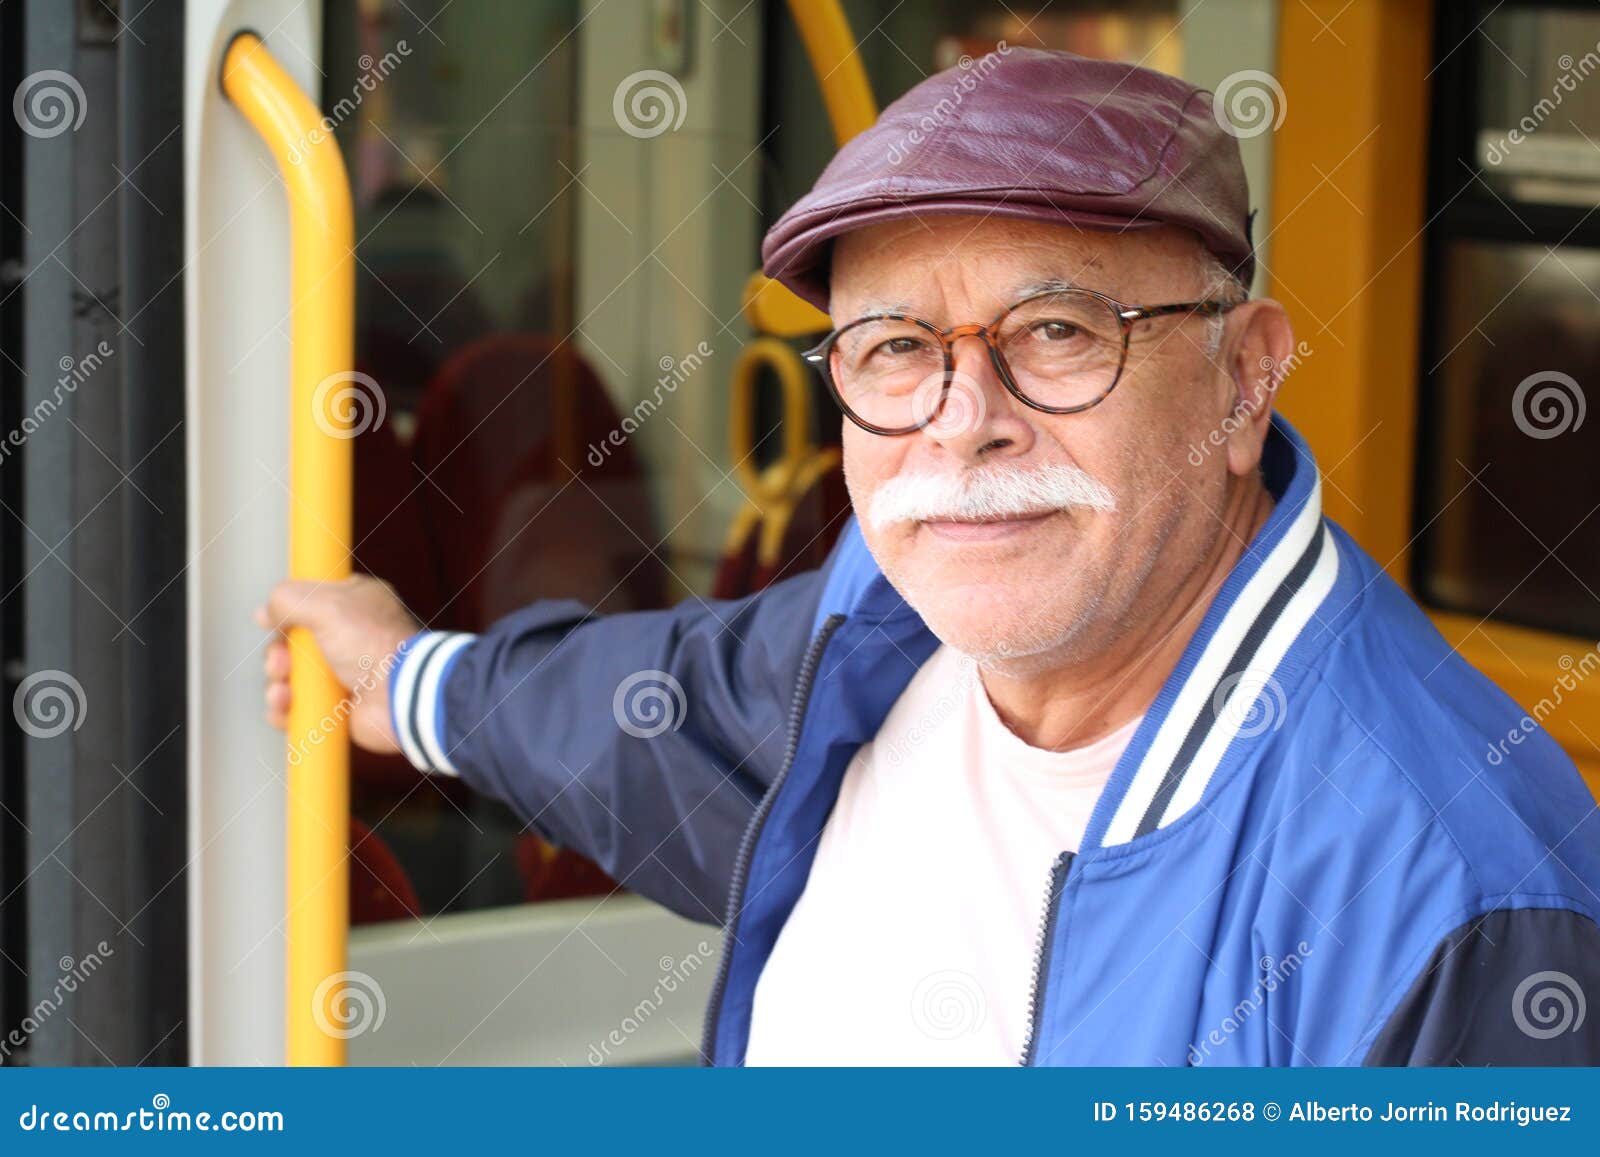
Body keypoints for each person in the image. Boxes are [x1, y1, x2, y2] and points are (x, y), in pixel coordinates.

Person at [258, 49, 1600, 1066]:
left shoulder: (1463, 903)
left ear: (1243, 382)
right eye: (897, 348)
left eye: (1060, 331)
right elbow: (663, 710)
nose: (962, 425)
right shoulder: (885, 625)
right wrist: (411, 681)